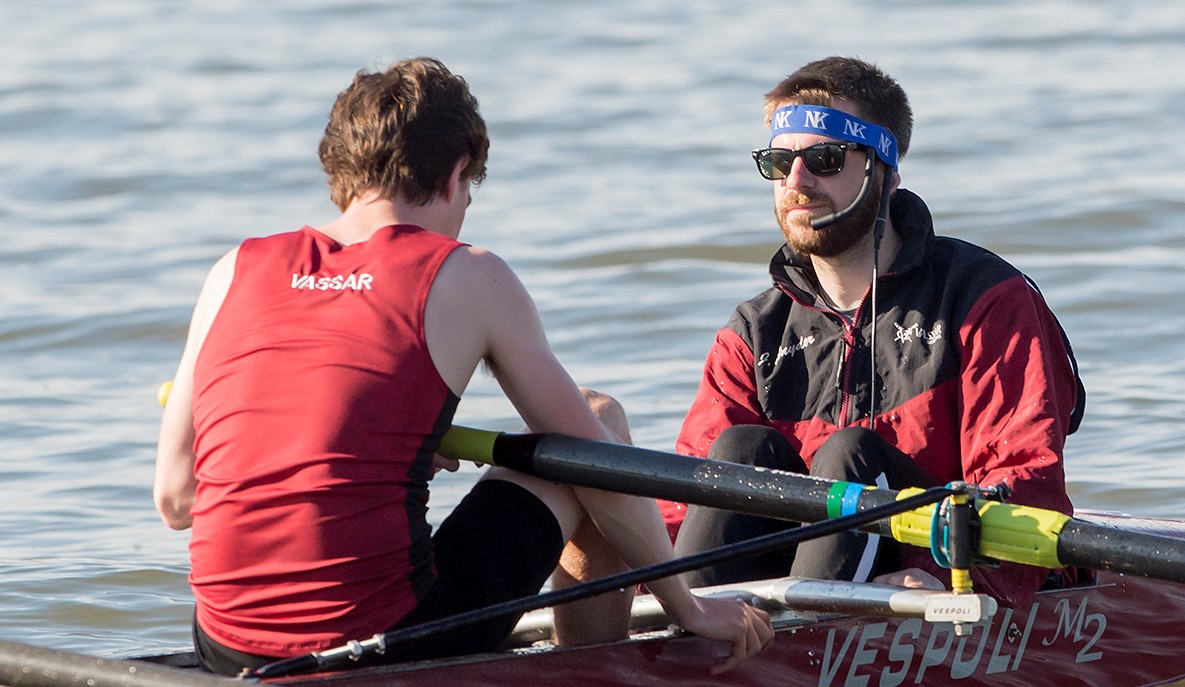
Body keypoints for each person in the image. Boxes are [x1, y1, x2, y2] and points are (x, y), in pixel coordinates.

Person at [153, 57, 772, 677]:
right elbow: (600, 463)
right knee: (599, 419)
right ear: (454, 177)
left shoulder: (234, 268)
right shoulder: (468, 273)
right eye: (471, 189)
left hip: (224, 643)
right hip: (381, 642)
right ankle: (599, 673)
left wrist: (388, 453)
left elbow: (176, 498)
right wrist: (688, 608)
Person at [663, 56, 1085, 608]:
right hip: (785, 588)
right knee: (739, 451)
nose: (797, 182)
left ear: (884, 172)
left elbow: (1022, 481)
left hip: (940, 578)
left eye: (824, 158)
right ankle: (688, 632)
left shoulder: (985, 299)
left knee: (850, 457)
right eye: (778, 162)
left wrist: (930, 572)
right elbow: (678, 512)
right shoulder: (751, 335)